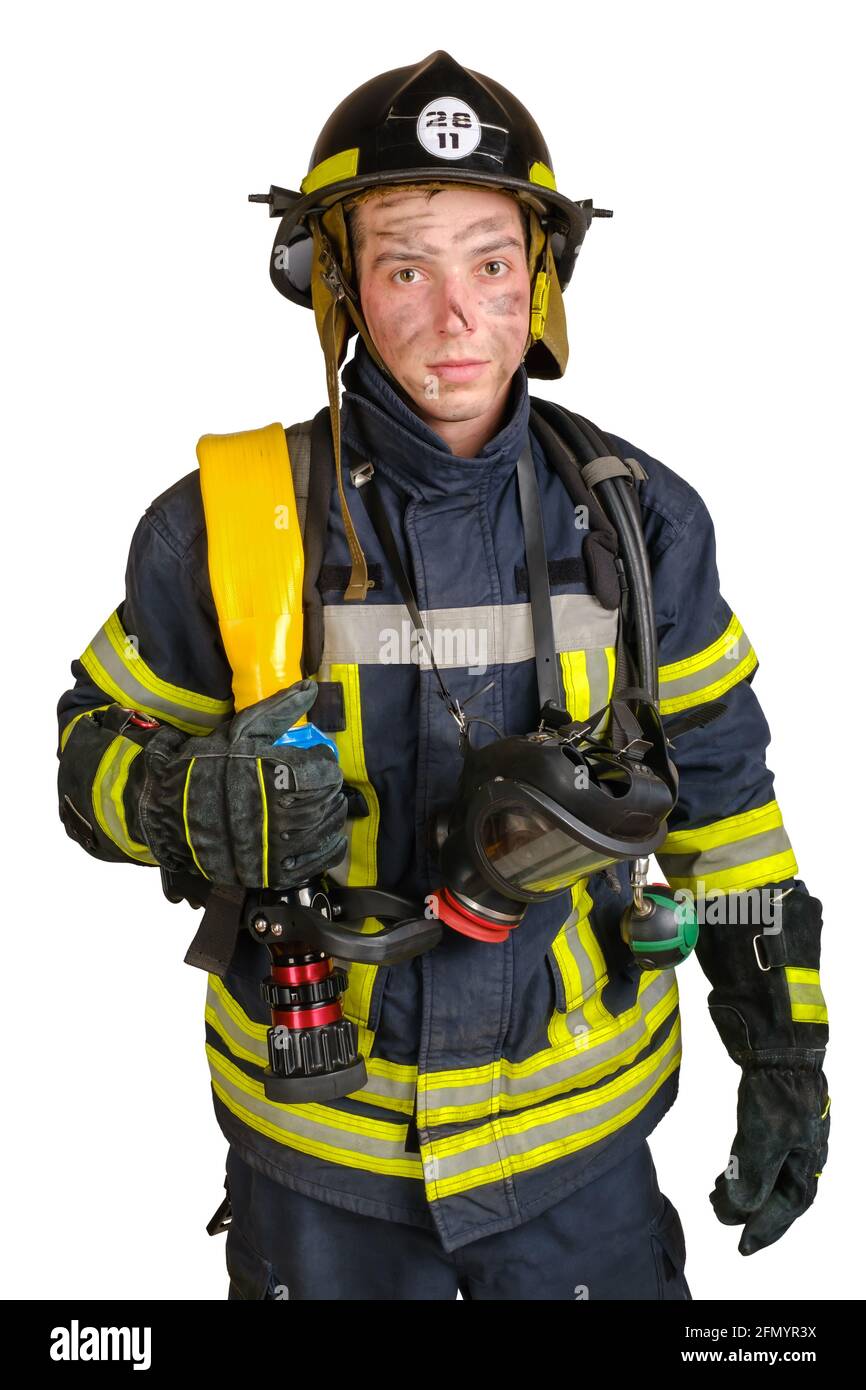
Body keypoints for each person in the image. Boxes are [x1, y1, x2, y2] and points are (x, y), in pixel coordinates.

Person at [56, 50, 830, 1301]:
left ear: (540, 279)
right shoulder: (224, 527)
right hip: (322, 1175)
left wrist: (781, 1043)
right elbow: (86, 747)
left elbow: (727, 813)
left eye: (489, 262)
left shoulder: (639, 527)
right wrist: (172, 798)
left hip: (577, 1171)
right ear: (341, 290)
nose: (456, 313)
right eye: (404, 265)